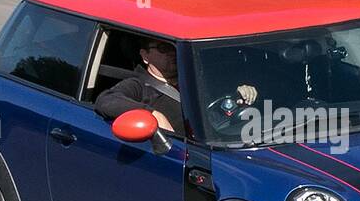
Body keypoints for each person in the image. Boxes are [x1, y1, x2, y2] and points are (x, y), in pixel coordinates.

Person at [95, 36, 257, 134]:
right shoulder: (139, 85)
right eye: (163, 48)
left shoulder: (194, 80)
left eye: (174, 48)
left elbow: (214, 113)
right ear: (145, 56)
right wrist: (152, 115)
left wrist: (238, 95)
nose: (172, 53)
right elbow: (106, 100)